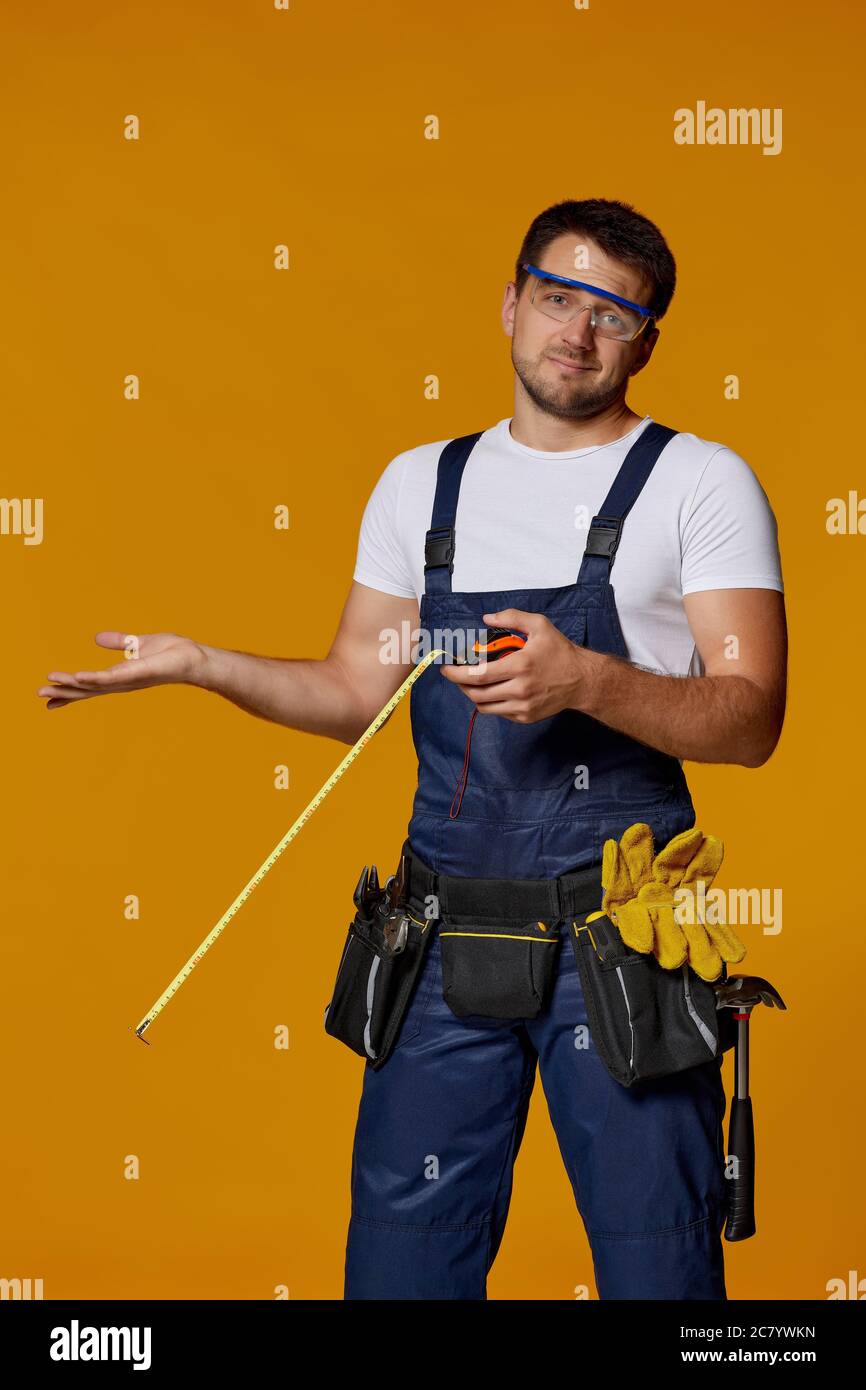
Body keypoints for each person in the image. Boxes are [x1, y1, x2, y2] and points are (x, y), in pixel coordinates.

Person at [38, 197, 787, 1302]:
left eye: (609, 313)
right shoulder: (421, 486)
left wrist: (584, 677)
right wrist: (204, 664)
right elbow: (352, 691)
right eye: (553, 298)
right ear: (510, 302)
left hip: (618, 944)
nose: (573, 333)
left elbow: (751, 717)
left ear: (645, 341)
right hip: (438, 938)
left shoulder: (696, 483)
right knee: (401, 1270)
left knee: (658, 1268)